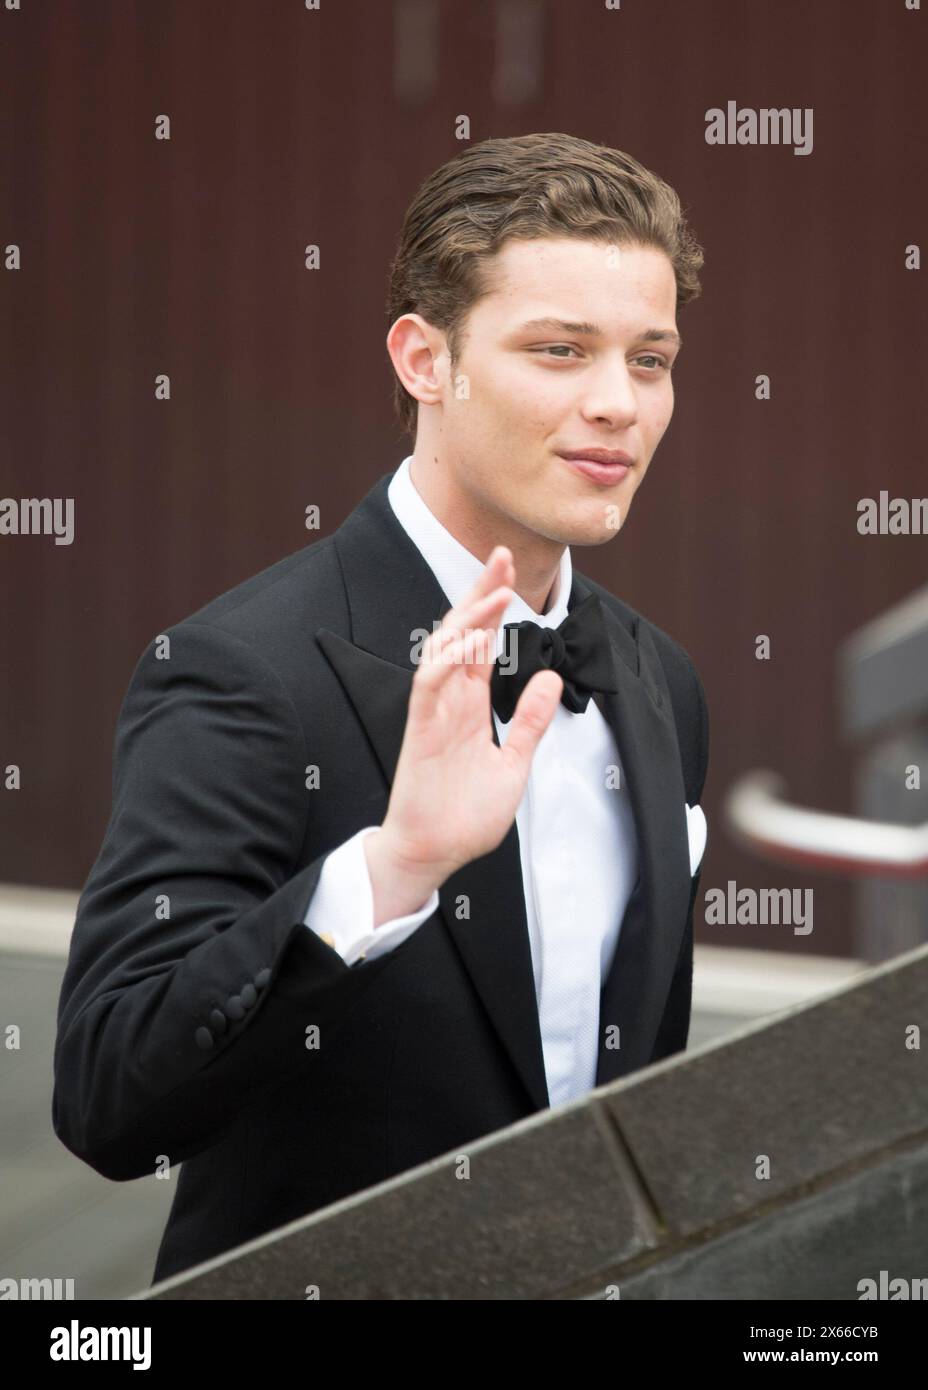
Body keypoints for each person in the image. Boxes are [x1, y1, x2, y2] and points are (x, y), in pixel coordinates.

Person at [52, 131, 710, 1287]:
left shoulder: (659, 680)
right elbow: (111, 1103)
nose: (618, 404)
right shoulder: (240, 671)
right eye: (558, 351)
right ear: (423, 359)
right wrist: (390, 869)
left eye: (648, 359)